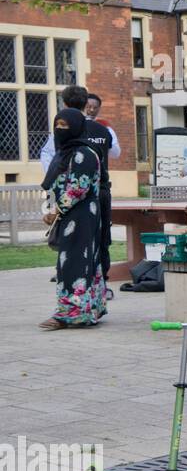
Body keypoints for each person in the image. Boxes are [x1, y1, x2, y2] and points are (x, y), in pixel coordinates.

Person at [39, 109, 107, 329]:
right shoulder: (67, 152)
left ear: (77, 127)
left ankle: (70, 313)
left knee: (73, 263)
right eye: (57, 124)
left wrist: (56, 210)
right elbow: (57, 184)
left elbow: (79, 187)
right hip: (71, 214)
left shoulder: (84, 153)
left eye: (64, 125)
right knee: (82, 261)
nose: (60, 129)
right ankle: (88, 309)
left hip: (81, 214)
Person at [60, 88, 115, 303]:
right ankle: (99, 289)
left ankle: (78, 299)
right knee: (100, 242)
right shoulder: (103, 130)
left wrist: (57, 207)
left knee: (78, 247)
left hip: (81, 201)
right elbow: (114, 152)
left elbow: (77, 187)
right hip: (100, 192)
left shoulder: (77, 146)